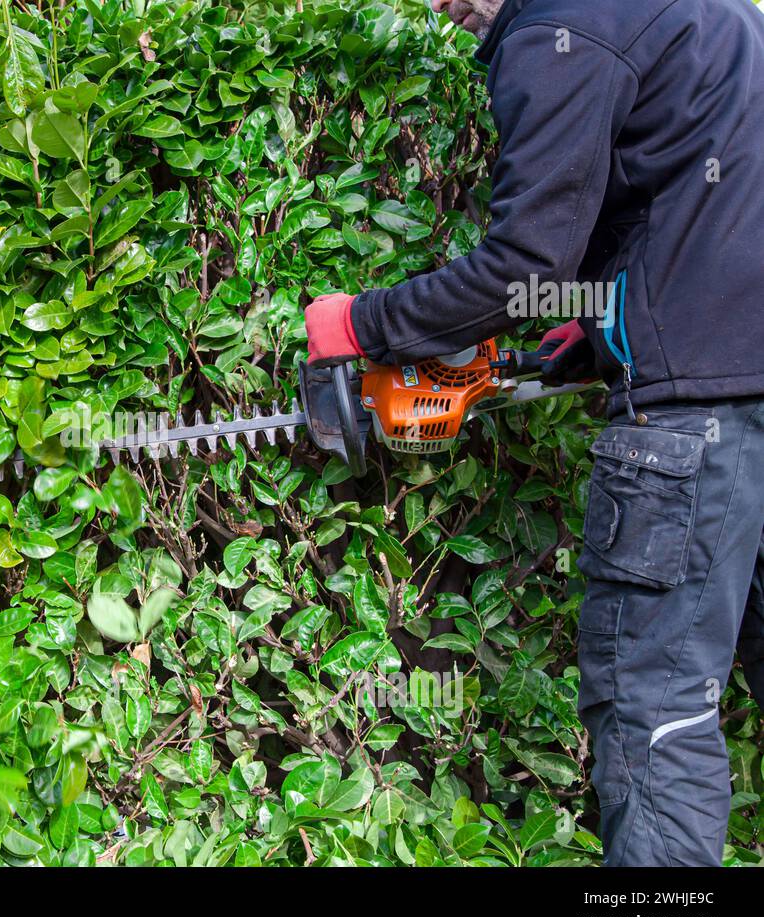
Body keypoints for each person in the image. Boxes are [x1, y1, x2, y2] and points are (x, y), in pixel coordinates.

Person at [304, 0, 764, 866]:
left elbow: (520, 270)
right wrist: (598, 325)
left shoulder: (564, 25)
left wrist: (364, 324)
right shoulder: (718, 13)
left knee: (654, 711)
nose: (443, 11)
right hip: (740, 388)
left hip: (689, 419)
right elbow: (707, 207)